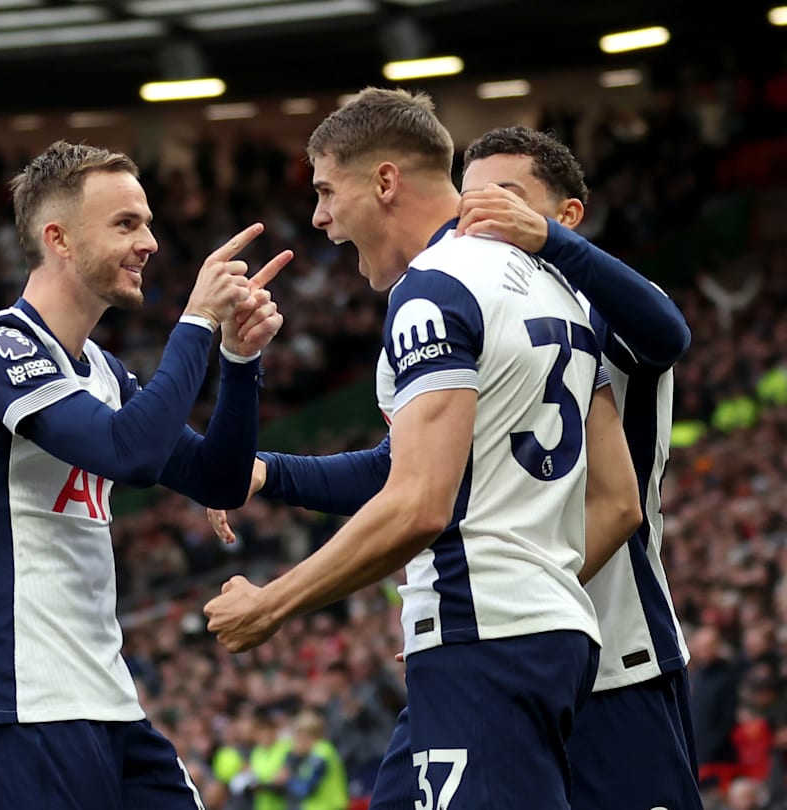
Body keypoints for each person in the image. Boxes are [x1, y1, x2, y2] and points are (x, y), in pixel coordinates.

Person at [202, 89, 636, 808]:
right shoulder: (552, 284)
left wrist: (273, 604)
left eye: (324, 190)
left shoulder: (433, 292)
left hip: (486, 638)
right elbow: (609, 497)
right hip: (541, 631)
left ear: (384, 182)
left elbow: (418, 504)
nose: (319, 218)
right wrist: (266, 473)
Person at [0, 140, 290, 809]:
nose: (150, 242)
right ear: (59, 239)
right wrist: (194, 322)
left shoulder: (99, 370)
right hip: (25, 700)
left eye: (148, 223)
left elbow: (215, 480)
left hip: (105, 695)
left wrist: (239, 362)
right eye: (126, 224)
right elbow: (126, 454)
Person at [456, 125, 700, 810]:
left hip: (620, 656)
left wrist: (548, 246)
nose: (482, 214)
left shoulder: (602, 300)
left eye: (506, 197)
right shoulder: (468, 313)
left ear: (566, 215)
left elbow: (667, 334)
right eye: (469, 200)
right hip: (514, 664)